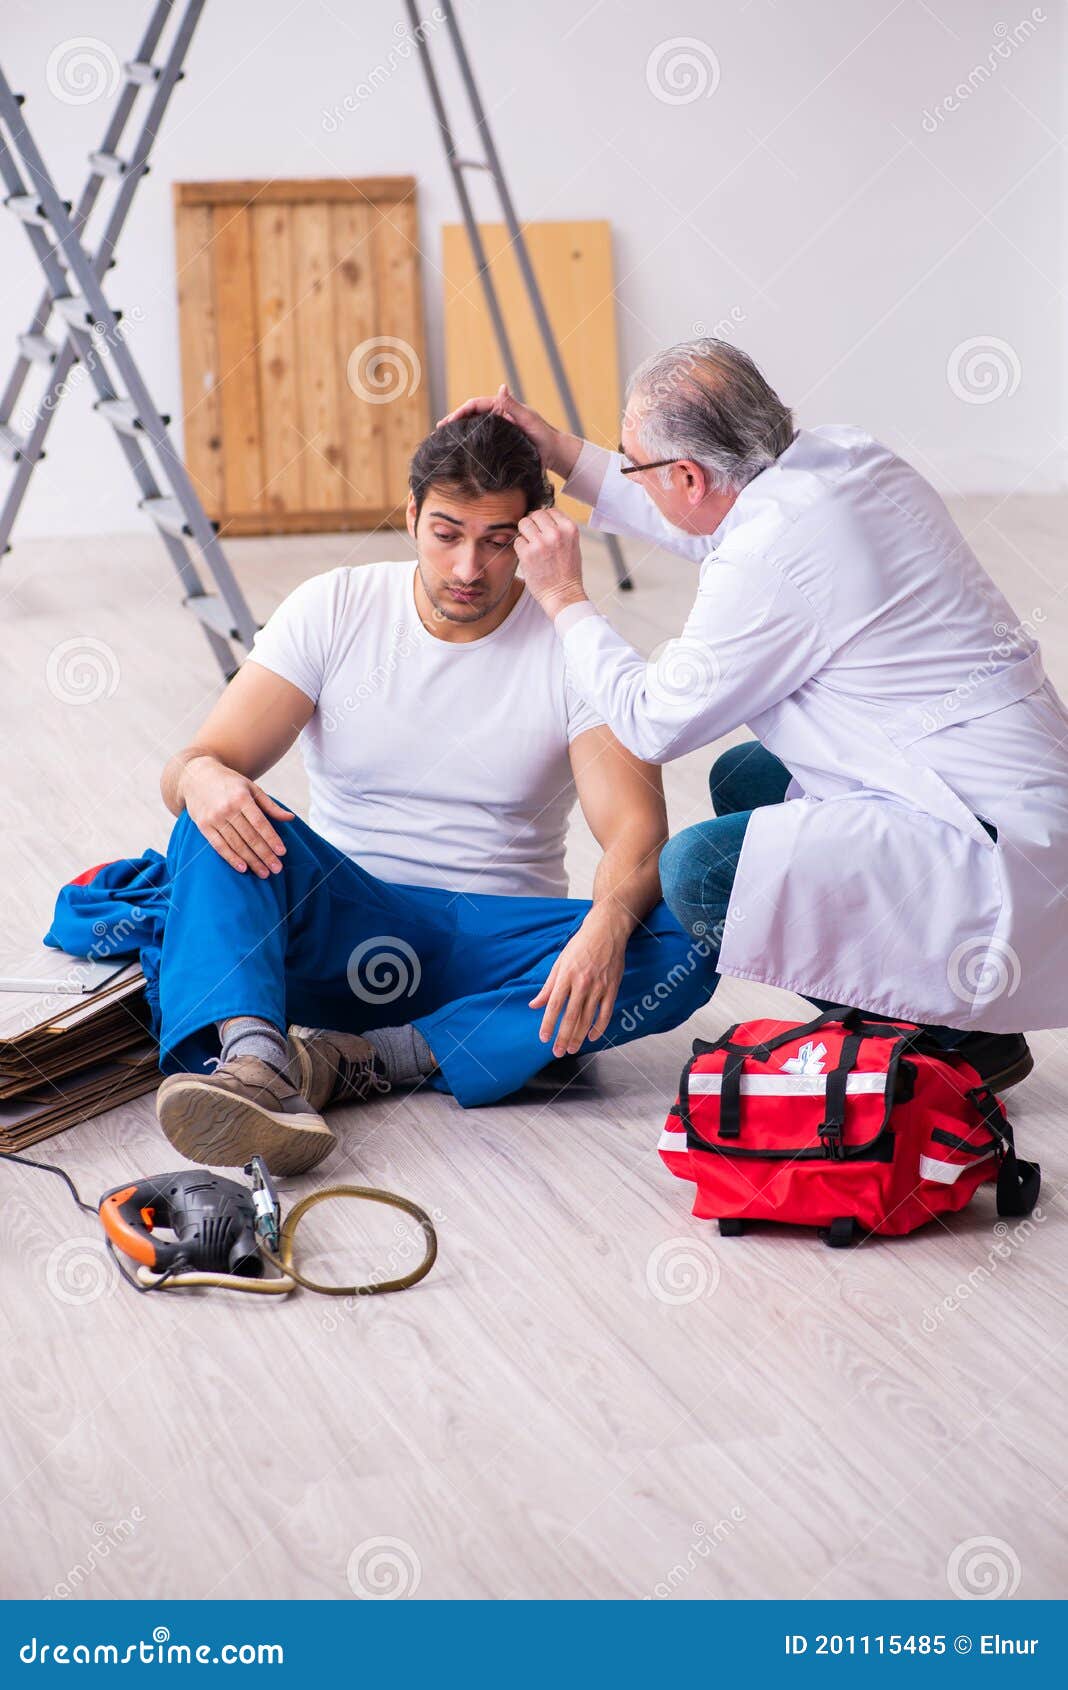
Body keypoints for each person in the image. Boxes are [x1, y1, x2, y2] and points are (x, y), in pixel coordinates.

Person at [440, 343, 1068, 1090]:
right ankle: (939, 1021)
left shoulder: (771, 556)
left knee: (699, 871)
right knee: (748, 777)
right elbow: (701, 514)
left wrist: (563, 596)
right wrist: (559, 447)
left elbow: (651, 724)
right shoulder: (837, 460)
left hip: (984, 831)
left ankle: (941, 1044)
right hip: (1003, 777)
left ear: (688, 475)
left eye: (634, 463)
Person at [152, 413, 716, 1174]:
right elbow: (191, 762)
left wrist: (607, 926)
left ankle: (369, 1059)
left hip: (497, 946)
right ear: (412, 515)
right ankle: (256, 1067)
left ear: (537, 532)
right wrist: (202, 777)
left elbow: (639, 835)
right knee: (211, 814)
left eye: (498, 540)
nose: (468, 567)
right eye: (446, 533)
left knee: (698, 924)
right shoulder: (337, 606)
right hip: (348, 925)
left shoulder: (576, 642)